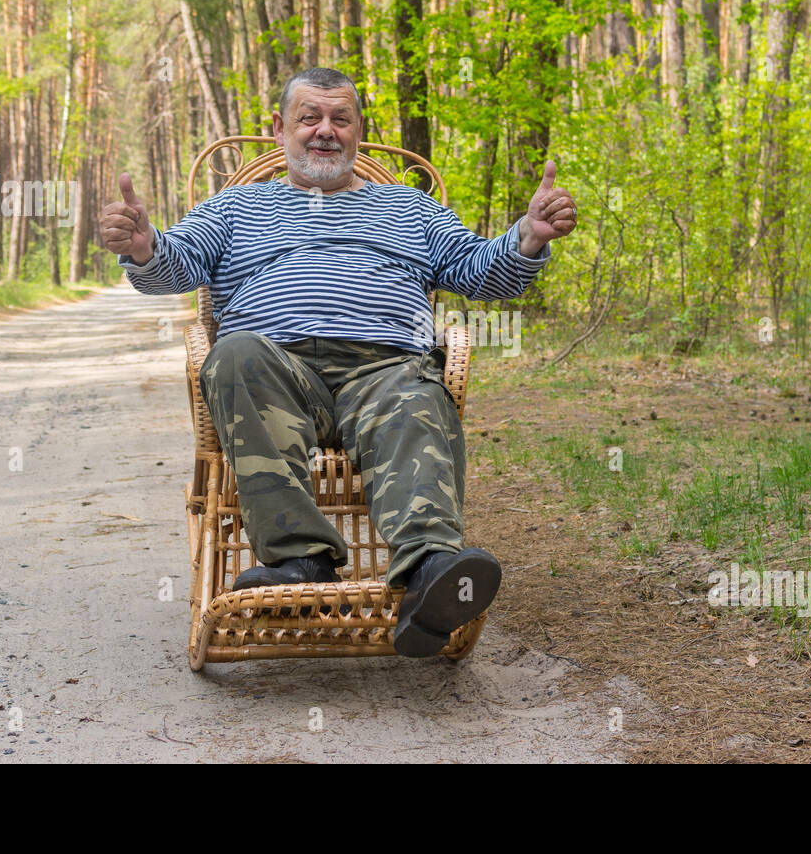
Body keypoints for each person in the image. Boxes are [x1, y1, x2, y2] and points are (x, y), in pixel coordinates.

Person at [100, 67, 577, 657]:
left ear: (358, 131)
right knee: (234, 353)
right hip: (275, 371)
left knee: (417, 391)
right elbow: (176, 264)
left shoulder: (411, 209)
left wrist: (528, 237)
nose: (325, 130)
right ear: (280, 129)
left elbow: (482, 272)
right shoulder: (234, 208)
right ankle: (300, 560)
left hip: (384, 371)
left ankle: (430, 570)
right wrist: (144, 247)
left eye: (340, 119)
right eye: (310, 118)